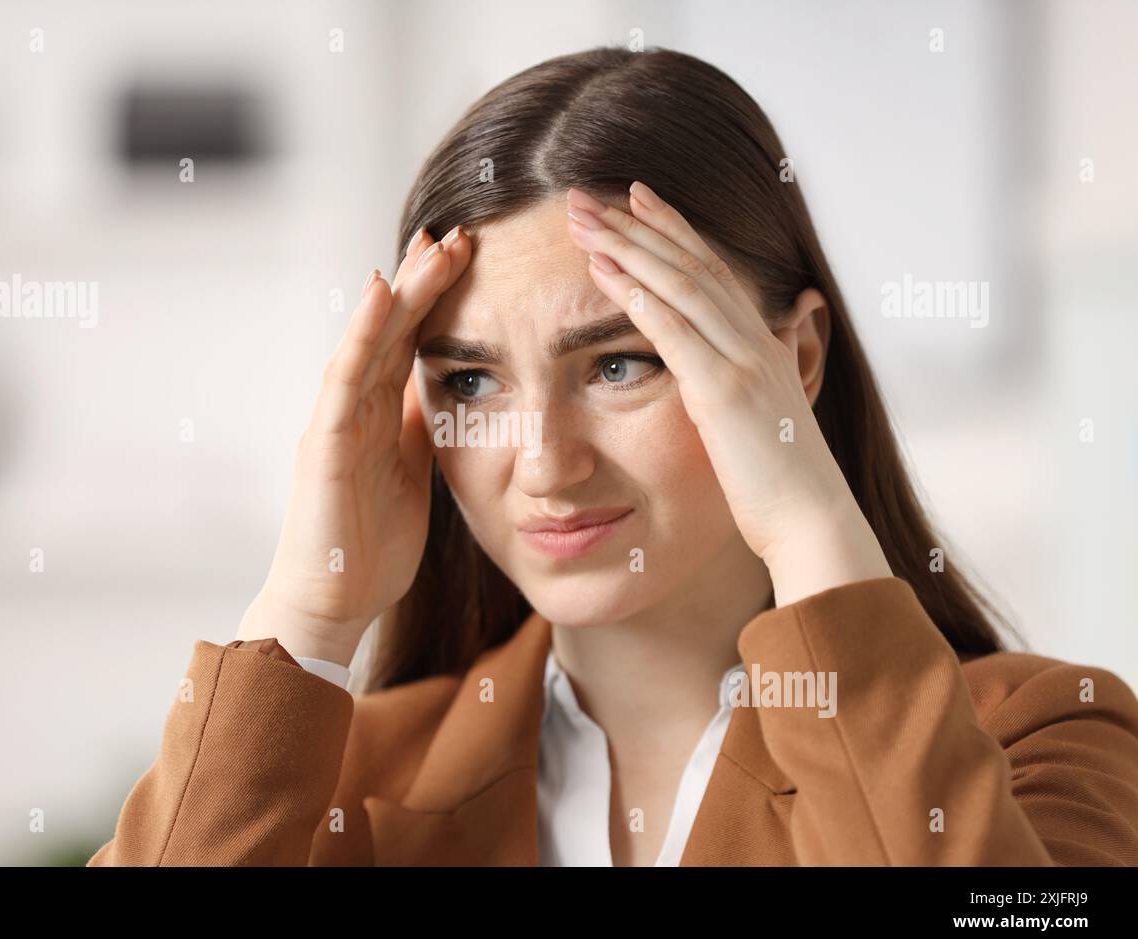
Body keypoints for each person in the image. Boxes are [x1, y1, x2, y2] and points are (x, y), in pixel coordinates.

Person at [88, 46, 1138, 867]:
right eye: (469, 380)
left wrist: (813, 529)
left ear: (797, 356)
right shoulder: (337, 777)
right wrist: (305, 613)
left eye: (619, 364)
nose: (543, 463)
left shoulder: (1047, 739)